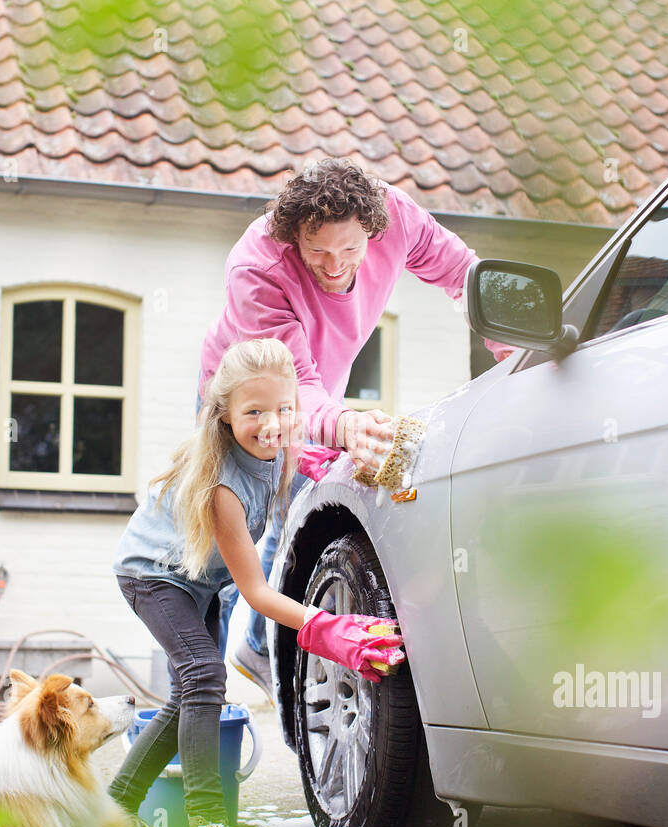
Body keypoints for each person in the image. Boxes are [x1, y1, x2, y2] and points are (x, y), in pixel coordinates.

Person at [197, 158, 516, 700]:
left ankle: (257, 643)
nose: (335, 266)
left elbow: (464, 274)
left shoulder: (397, 216)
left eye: (350, 251)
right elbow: (292, 388)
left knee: (297, 500)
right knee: (227, 550)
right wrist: (343, 423)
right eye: (317, 251)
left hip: (320, 391)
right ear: (294, 235)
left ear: (373, 229)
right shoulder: (257, 267)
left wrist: (509, 345)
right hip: (246, 395)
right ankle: (202, 693)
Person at [109, 338, 402, 827]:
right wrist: (326, 628)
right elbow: (257, 592)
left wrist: (342, 460)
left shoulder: (281, 442)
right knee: (203, 677)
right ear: (223, 416)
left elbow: (296, 464)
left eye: (284, 409)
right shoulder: (221, 486)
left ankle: (113, 808)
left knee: (189, 694)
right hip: (153, 575)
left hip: (199, 582)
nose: (271, 423)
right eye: (253, 412)